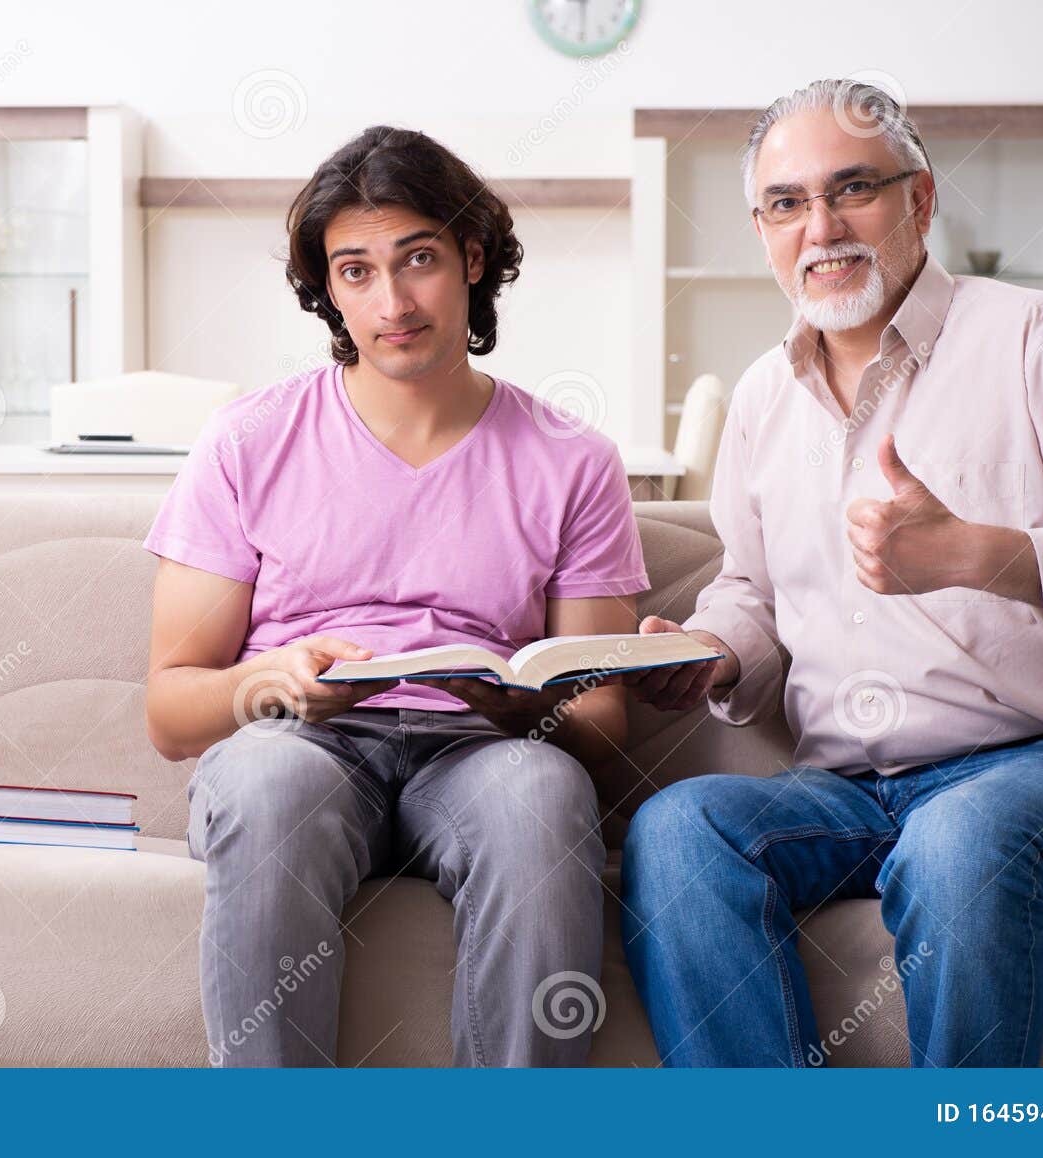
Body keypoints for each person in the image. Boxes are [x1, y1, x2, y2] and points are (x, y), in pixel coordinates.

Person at [619, 79, 1043, 1067]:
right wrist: (713, 653)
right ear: (762, 230)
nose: (821, 227)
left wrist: (989, 556)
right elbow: (751, 590)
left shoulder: (1038, 338)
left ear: (920, 199)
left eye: (853, 189)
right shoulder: (763, 397)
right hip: (847, 793)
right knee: (680, 829)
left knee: (959, 841)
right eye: (786, 202)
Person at [144, 126, 649, 1066]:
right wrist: (272, 681)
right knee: (268, 783)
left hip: (480, 752)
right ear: (328, 290)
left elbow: (602, 723)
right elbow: (172, 714)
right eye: (357, 272)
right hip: (303, 745)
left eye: (419, 259)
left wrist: (521, 708)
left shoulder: (574, 461)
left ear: (472, 259)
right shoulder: (246, 441)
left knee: (542, 790)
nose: (393, 302)